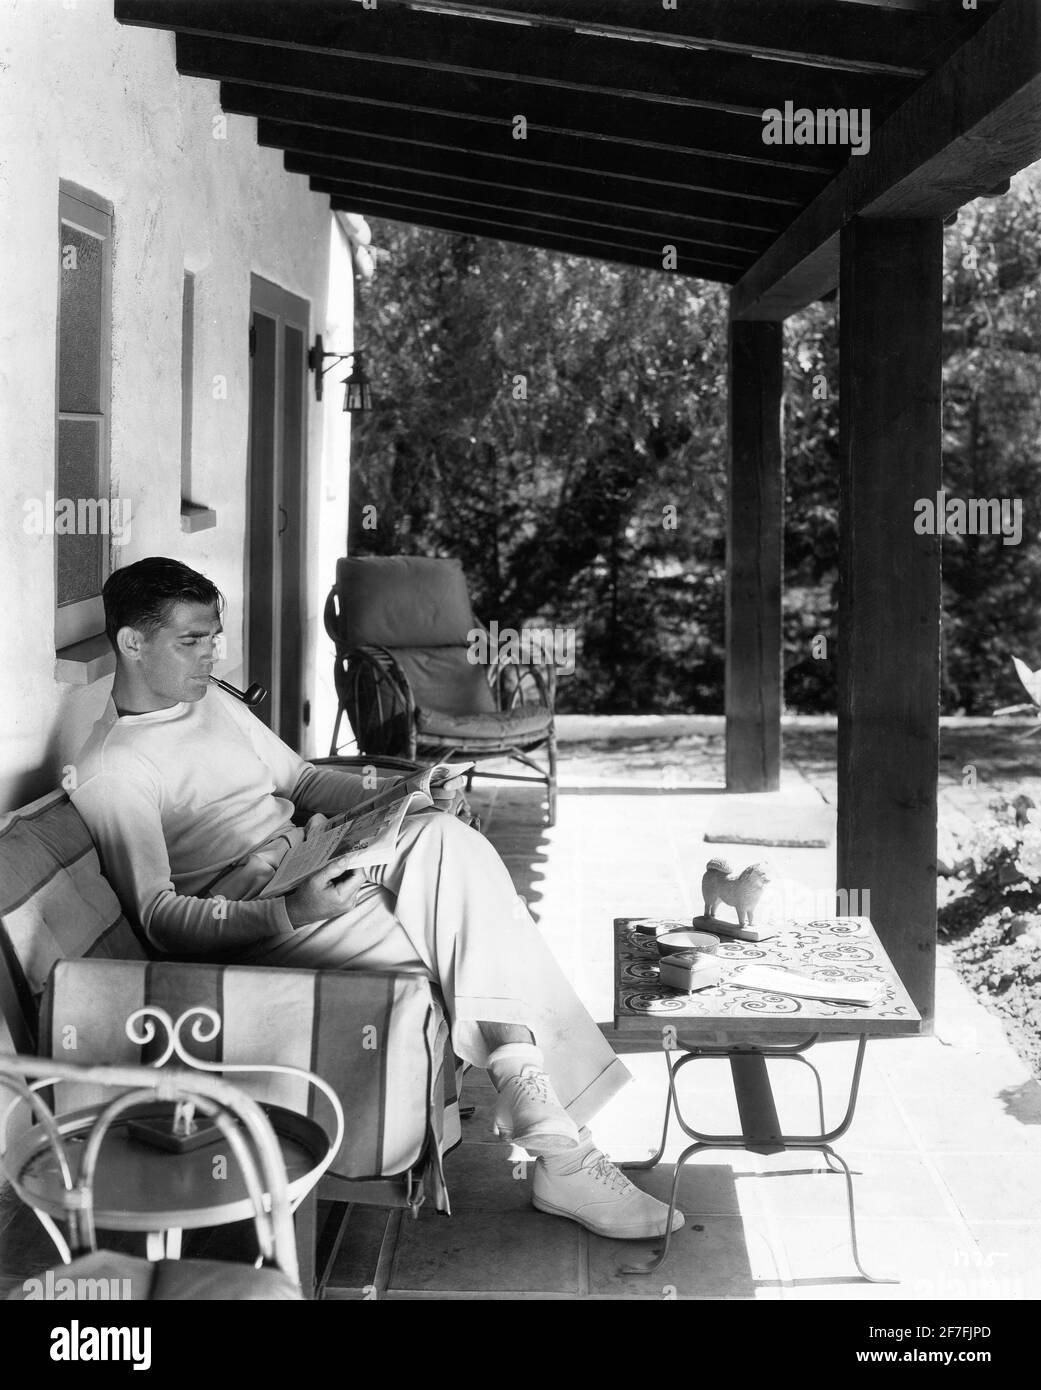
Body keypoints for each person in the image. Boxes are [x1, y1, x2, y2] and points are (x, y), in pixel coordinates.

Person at [71, 557, 682, 1241]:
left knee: (441, 842)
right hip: (270, 922)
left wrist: (402, 794)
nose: (213, 654)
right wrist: (288, 911)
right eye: (192, 640)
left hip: (313, 863)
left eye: (215, 636)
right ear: (130, 642)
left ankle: (552, 1140)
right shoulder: (113, 769)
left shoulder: (207, 700)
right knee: (465, 912)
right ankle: (558, 1147)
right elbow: (159, 919)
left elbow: (302, 779)